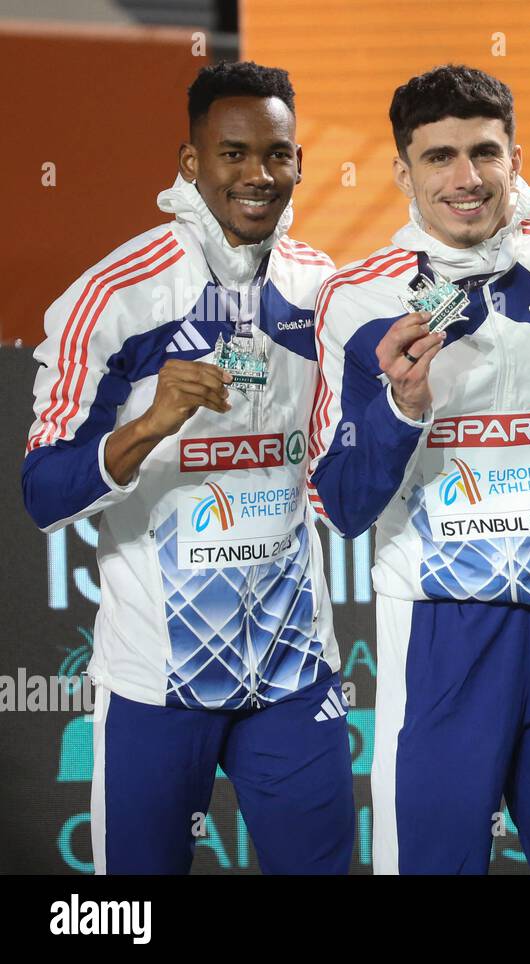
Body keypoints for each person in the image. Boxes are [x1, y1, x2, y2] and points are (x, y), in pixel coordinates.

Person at [21, 62, 352, 874]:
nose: (258, 175)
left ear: (300, 163)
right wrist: (150, 425)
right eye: (233, 153)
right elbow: (43, 492)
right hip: (153, 684)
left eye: (277, 155)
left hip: (294, 672)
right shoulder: (114, 298)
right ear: (188, 162)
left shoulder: (323, 289)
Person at [307, 65, 530, 874]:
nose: (467, 178)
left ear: (516, 157)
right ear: (401, 171)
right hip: (441, 627)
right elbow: (342, 504)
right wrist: (402, 406)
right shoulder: (356, 298)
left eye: (485, 152)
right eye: (440, 156)